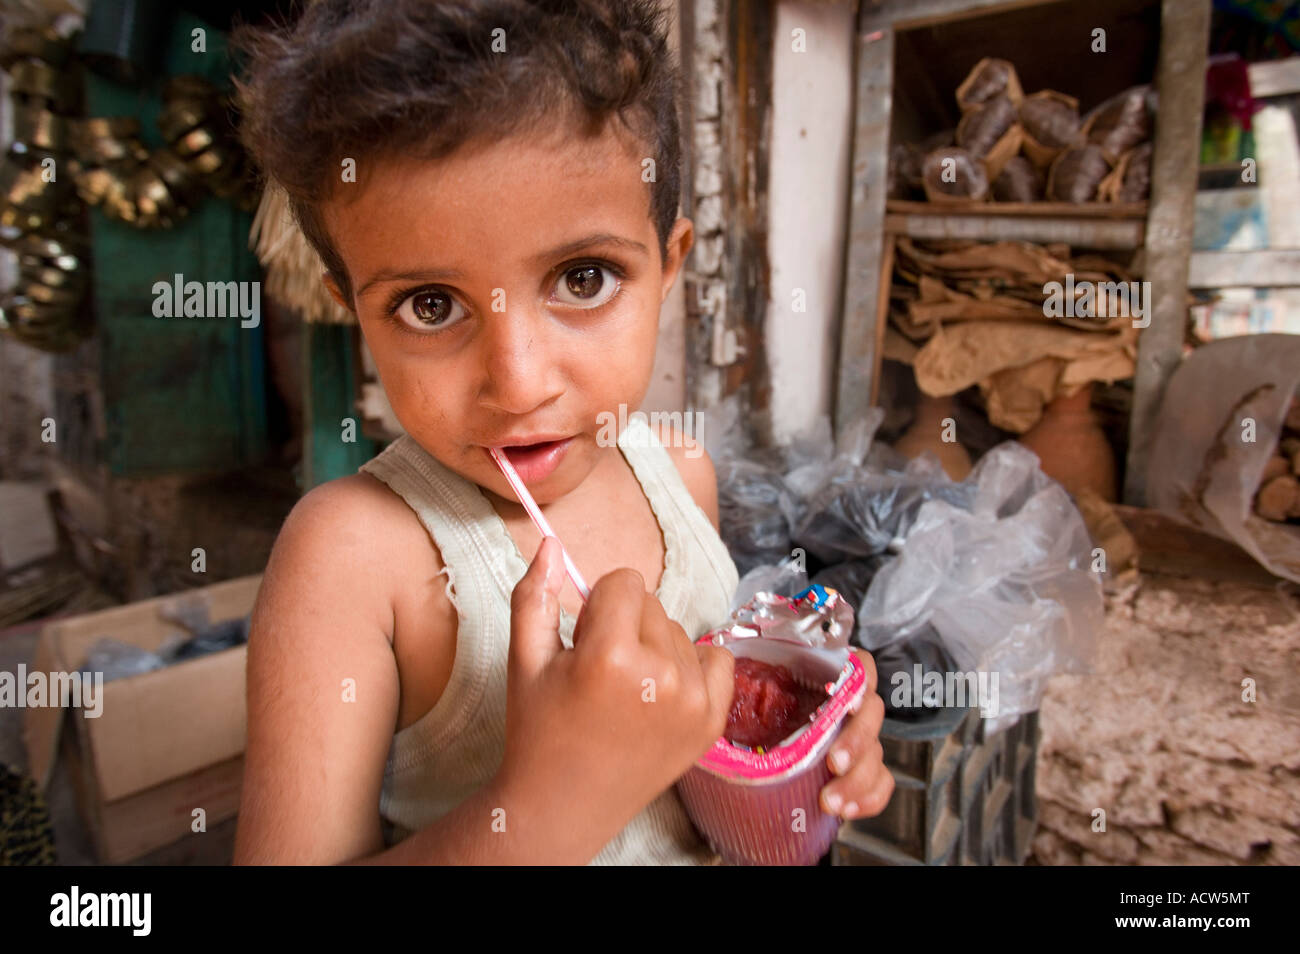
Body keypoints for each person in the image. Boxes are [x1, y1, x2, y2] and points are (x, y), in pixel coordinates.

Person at [231, 0, 893, 865]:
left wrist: (802, 751)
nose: (518, 382)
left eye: (583, 278)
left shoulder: (680, 474)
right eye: (430, 306)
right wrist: (547, 806)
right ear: (351, 311)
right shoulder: (354, 558)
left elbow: (698, 753)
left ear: (669, 268)